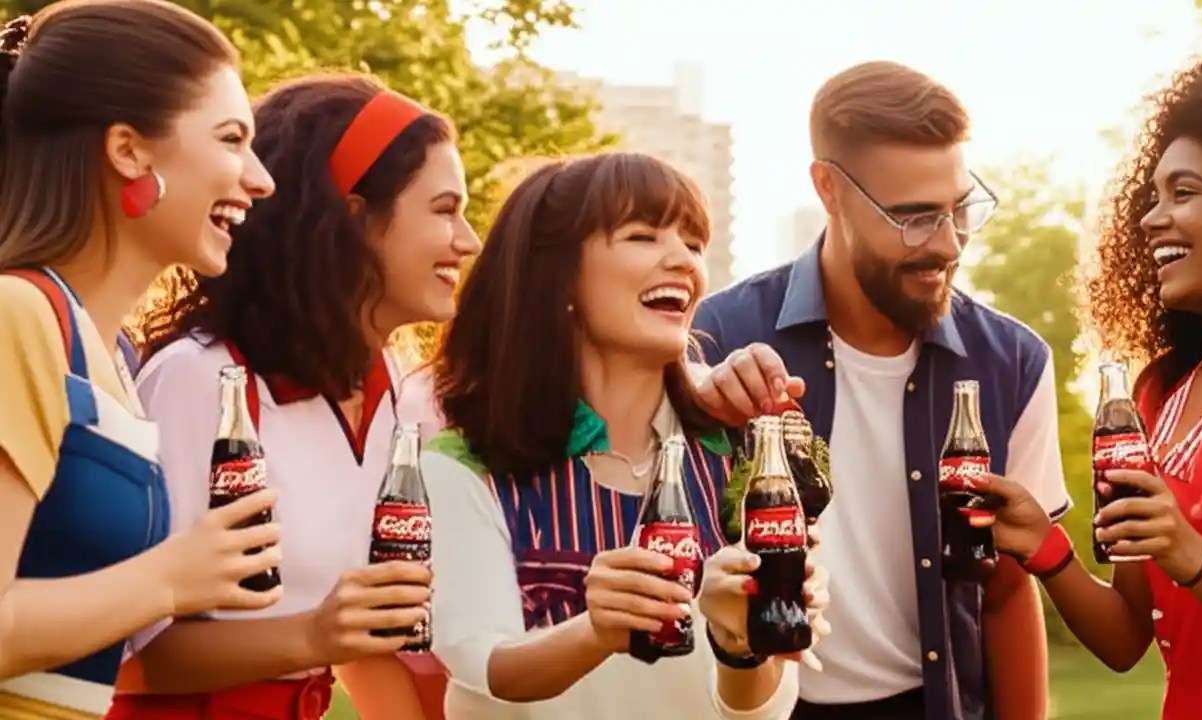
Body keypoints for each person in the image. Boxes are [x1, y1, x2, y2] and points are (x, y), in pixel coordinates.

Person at [691, 61, 1072, 720]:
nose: (948, 245)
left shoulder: (1014, 363)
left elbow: (1008, 591)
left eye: (959, 210)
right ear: (829, 188)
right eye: (914, 217)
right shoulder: (717, 338)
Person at [103, 74, 479, 720]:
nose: (468, 240)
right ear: (353, 220)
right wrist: (312, 637)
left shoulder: (395, 390)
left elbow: (364, 642)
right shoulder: (204, 380)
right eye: (444, 210)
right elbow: (129, 653)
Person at [422, 151, 830, 719]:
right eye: (643, 236)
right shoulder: (463, 462)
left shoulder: (742, 458)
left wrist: (738, 642)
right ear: (559, 275)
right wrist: (598, 630)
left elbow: (761, 711)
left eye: (694, 244)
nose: (683, 261)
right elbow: (485, 667)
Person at [0, 1, 278, 717]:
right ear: (128, 150)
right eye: (232, 139)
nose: (261, 179)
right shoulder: (19, 318)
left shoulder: (113, 356)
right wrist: (169, 580)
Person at [981, 55, 1202, 719]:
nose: (1151, 219)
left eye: (1184, 192)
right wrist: (1045, 547)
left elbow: (1188, 562)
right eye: (1152, 197)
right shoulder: (1155, 397)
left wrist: (1191, 556)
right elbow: (1125, 639)